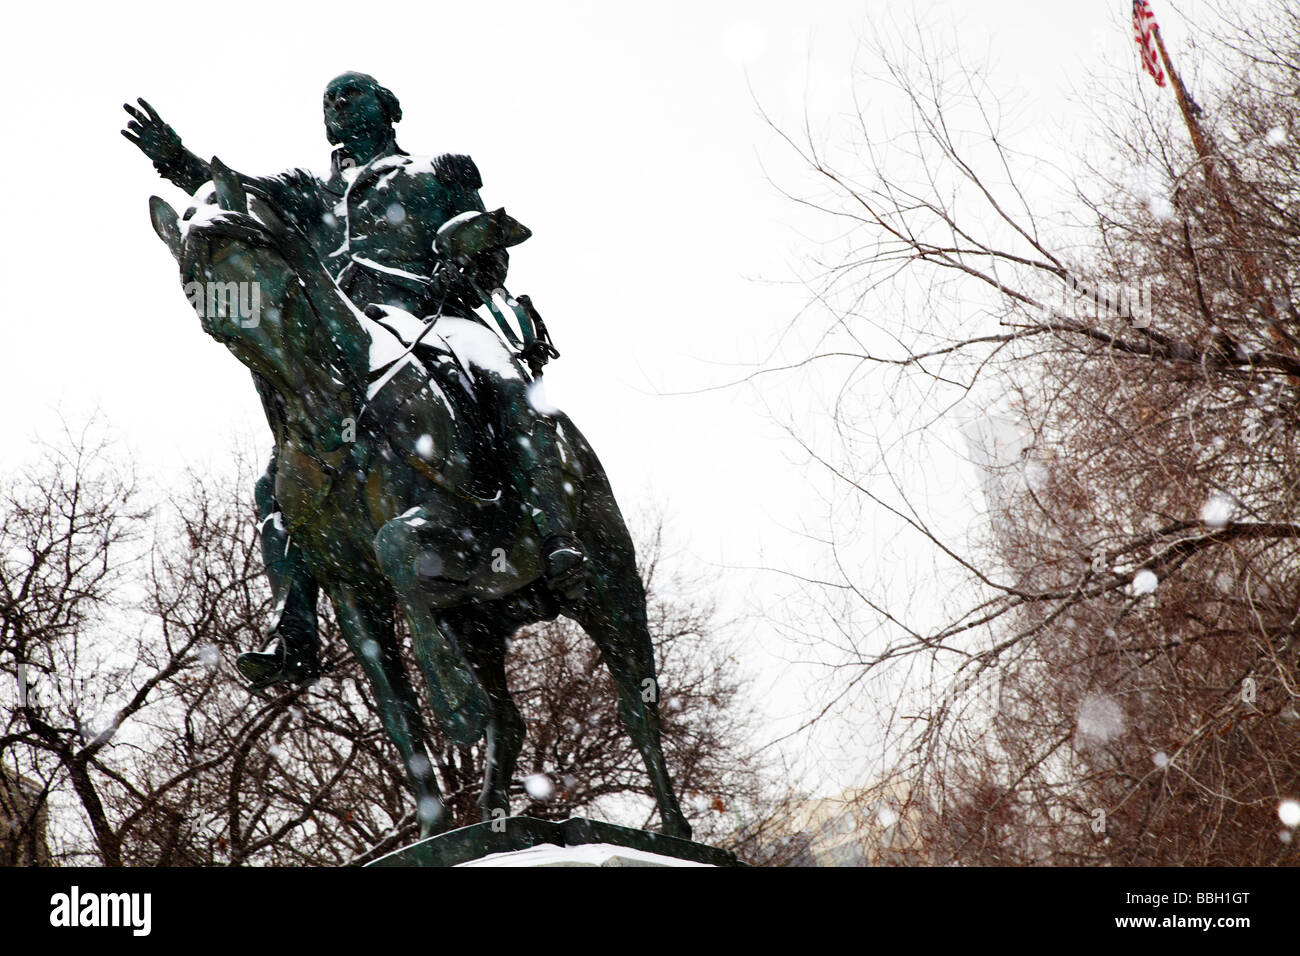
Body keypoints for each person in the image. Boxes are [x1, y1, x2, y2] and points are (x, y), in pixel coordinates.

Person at [123, 73, 586, 690]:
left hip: (434, 322)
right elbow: (242, 197)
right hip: (355, 351)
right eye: (328, 100)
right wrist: (177, 160)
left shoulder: (430, 175)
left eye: (352, 94)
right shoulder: (315, 194)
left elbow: (491, 260)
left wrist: (463, 252)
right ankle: (295, 628)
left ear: (389, 109)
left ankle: (554, 539)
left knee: (506, 386)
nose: (337, 105)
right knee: (277, 484)